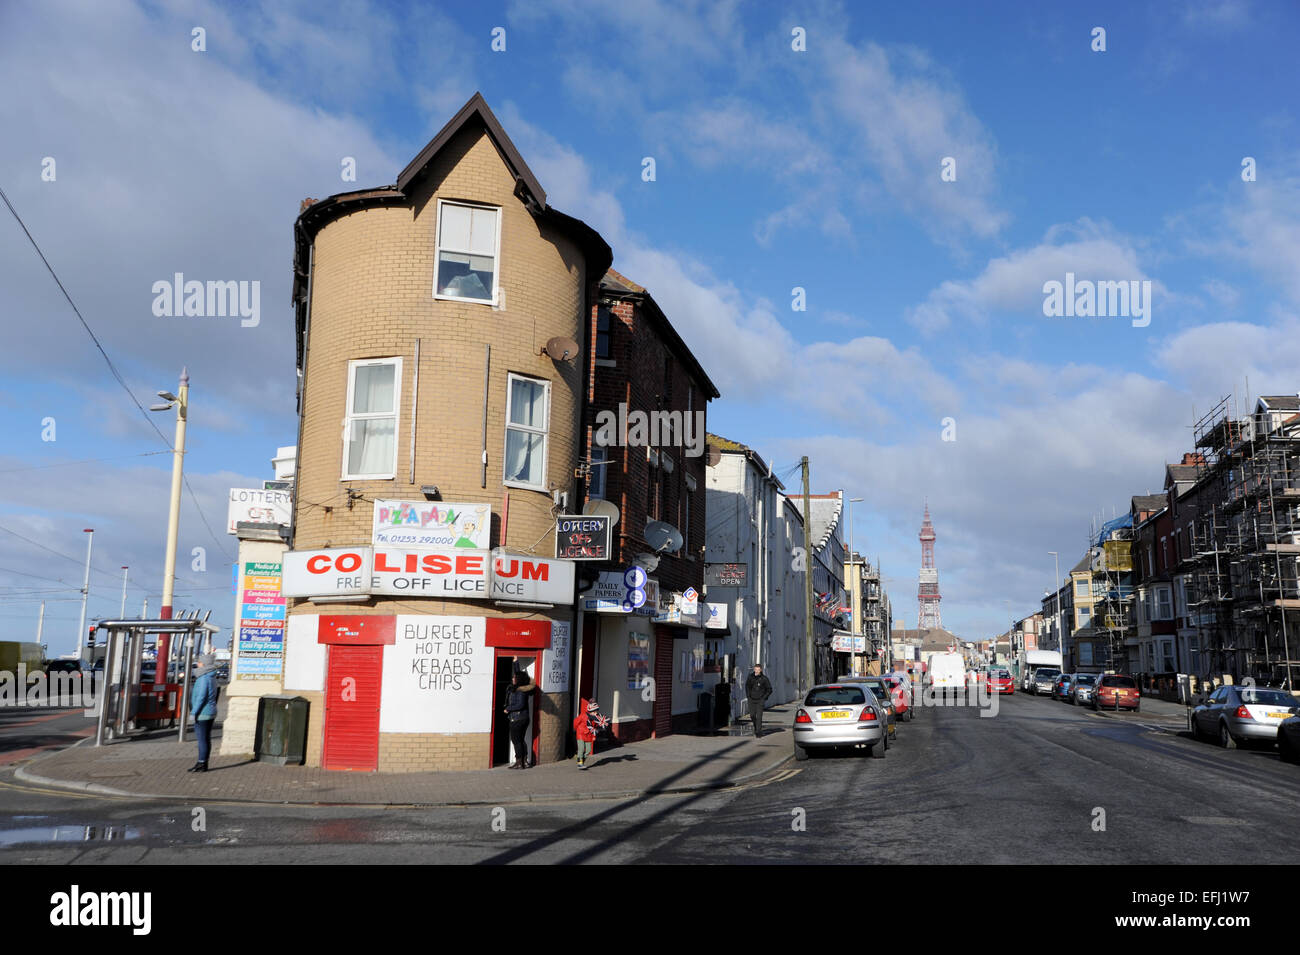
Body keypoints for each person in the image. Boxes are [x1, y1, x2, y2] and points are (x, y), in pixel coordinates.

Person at [188, 653, 219, 773]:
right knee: (206, 738)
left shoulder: (203, 678)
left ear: (204, 664)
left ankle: (201, 763)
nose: (198, 664)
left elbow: (201, 697)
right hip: (210, 711)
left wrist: (194, 712)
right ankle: (203, 762)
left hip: (203, 713)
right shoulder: (211, 677)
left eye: (200, 662)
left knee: (202, 739)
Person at [504, 668, 537, 769]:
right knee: (521, 740)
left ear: (518, 679)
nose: (513, 678)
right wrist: (516, 663)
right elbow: (522, 676)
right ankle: (524, 761)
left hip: (517, 719)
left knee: (516, 741)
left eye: (515, 677)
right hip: (523, 718)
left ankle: (519, 762)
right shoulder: (524, 688)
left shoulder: (520, 691)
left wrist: (508, 708)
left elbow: (520, 705)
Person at [574, 698, 608, 769]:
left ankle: (582, 761)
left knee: (589, 750)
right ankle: (579, 763)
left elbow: (596, 726)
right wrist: (576, 730)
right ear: (590, 711)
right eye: (594, 711)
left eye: (597, 711)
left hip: (589, 735)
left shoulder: (596, 718)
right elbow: (576, 722)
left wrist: (595, 734)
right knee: (581, 749)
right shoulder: (583, 716)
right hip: (581, 733)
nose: (596, 713)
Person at [744, 663, 772, 739]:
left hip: (760, 700)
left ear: (761, 670)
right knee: (752, 715)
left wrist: (764, 698)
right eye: (756, 669)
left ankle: (758, 732)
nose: (757, 671)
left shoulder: (764, 678)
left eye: (758, 670)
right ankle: (756, 727)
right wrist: (748, 696)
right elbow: (747, 686)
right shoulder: (750, 677)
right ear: (754, 669)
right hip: (751, 699)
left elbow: (769, 689)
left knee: (759, 716)